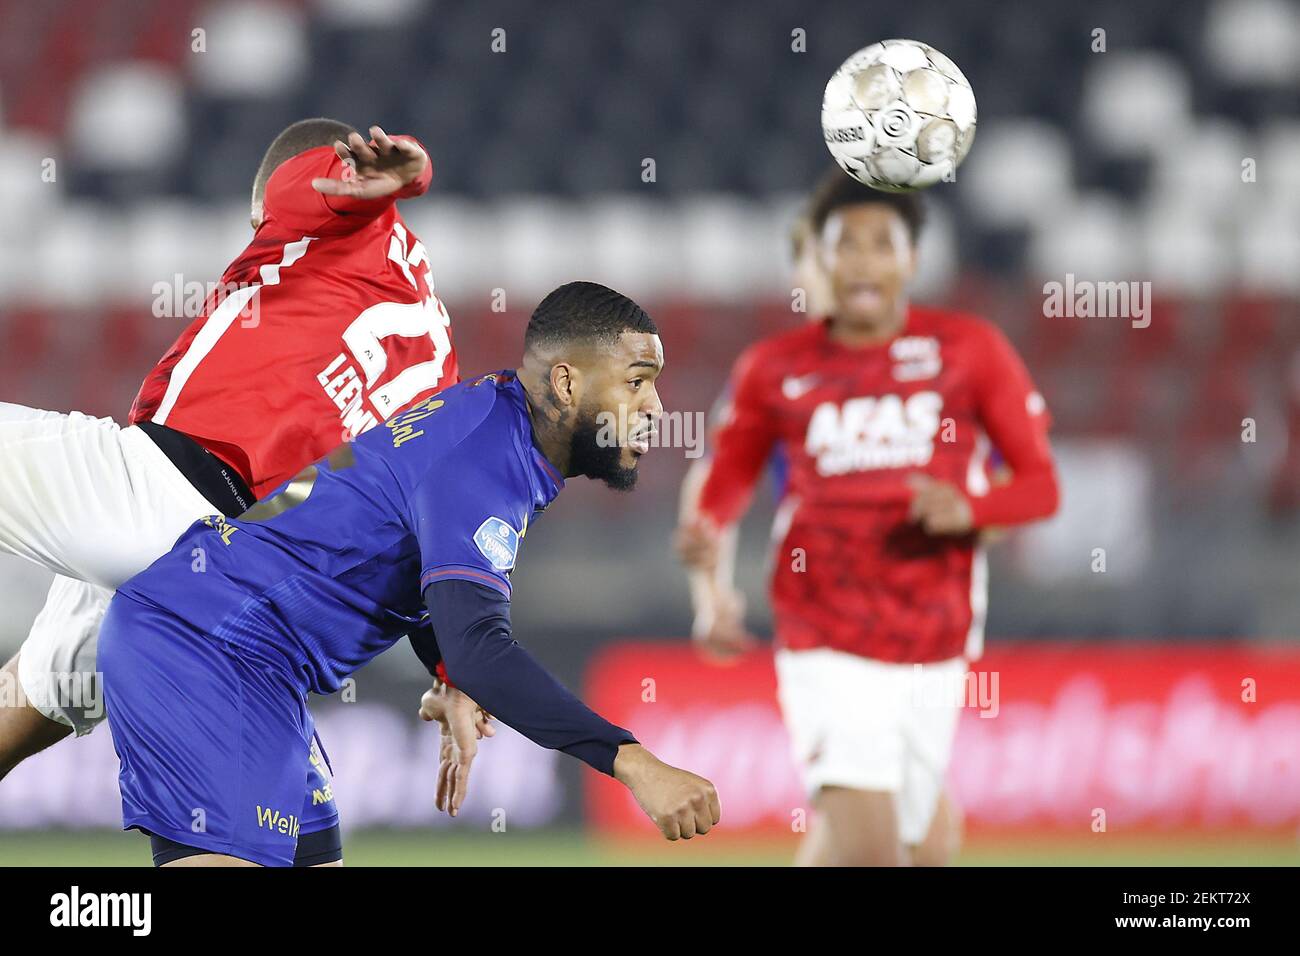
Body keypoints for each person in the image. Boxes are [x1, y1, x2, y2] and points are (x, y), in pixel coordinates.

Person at [97, 281, 721, 866]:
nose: (656, 407)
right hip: (202, 646)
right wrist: (630, 761)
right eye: (637, 382)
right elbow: (481, 647)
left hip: (256, 668)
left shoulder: (492, 418)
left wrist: (448, 673)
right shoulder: (483, 460)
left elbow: (417, 564)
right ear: (566, 383)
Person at [0, 118, 462, 866]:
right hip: (233, 588)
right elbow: (428, 533)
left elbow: (318, 177)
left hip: (158, 490)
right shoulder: (437, 363)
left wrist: (401, 177)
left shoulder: (333, 215)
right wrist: (452, 668)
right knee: (33, 696)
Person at [676, 168, 1060, 866]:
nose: (857, 263)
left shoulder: (965, 351)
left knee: (928, 840)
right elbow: (717, 487)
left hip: (934, 638)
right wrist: (710, 592)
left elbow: (1034, 485)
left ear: (913, 260)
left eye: (880, 244)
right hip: (825, 631)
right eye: (840, 246)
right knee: (877, 852)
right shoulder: (775, 371)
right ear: (813, 262)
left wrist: (972, 511)